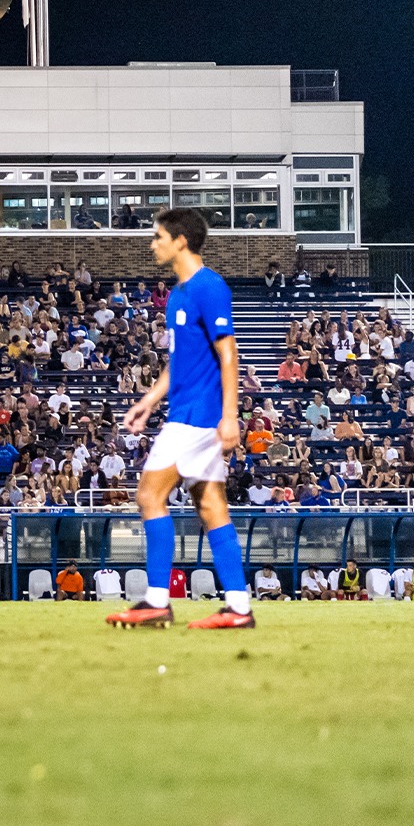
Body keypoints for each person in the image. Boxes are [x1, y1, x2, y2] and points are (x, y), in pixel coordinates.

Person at [107, 207, 255, 630]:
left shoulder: (210, 287)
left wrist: (231, 417)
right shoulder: (177, 294)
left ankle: (157, 601)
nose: (152, 244)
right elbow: (179, 363)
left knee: (149, 497)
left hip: (199, 418)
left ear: (180, 241)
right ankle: (239, 608)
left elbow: (229, 353)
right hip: (185, 412)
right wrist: (149, 400)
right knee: (210, 506)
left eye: (157, 237)